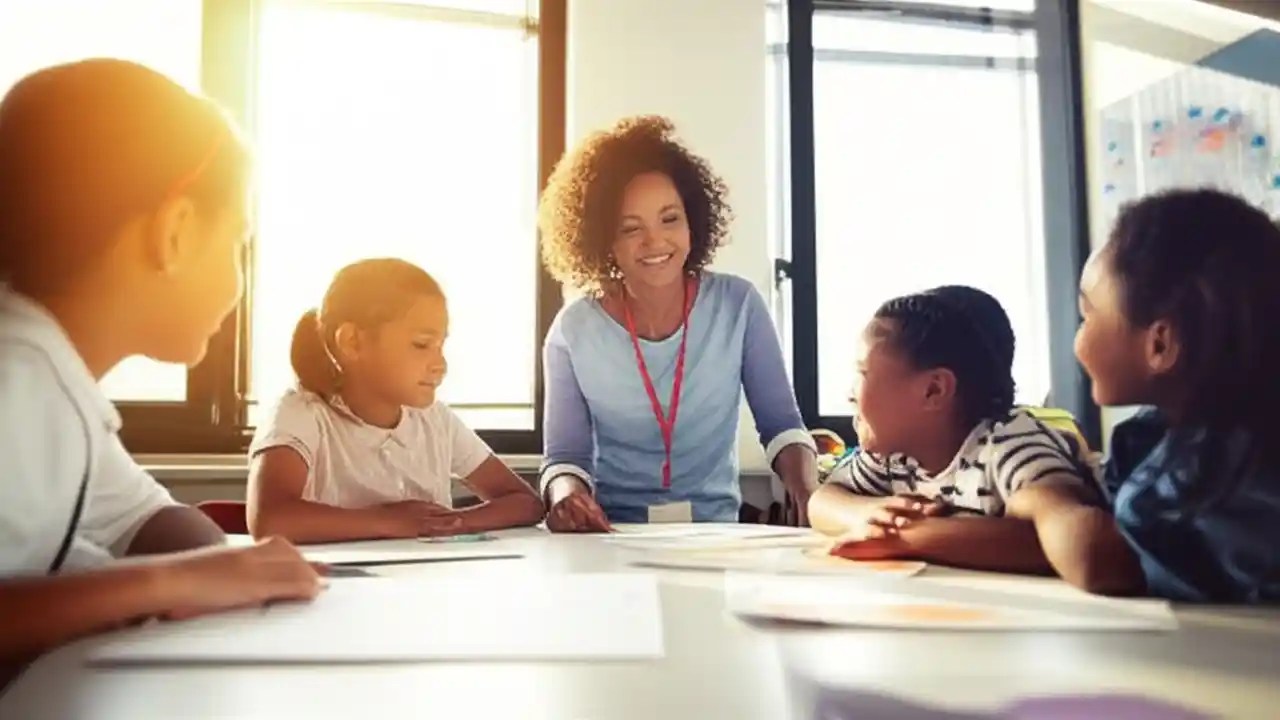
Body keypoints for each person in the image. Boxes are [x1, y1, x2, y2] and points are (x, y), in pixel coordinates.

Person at [0, 59, 321, 665]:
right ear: (174, 232)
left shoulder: (57, 383)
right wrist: (172, 584)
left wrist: (238, 567)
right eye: (237, 245)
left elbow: (145, 520)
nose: (240, 281)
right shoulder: (18, 382)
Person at [537, 115, 817, 529]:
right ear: (603, 241)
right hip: (611, 536)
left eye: (670, 219)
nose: (655, 242)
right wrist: (568, 498)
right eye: (630, 228)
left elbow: (782, 426)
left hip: (715, 532)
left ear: (692, 221)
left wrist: (806, 490)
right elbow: (565, 459)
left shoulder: (738, 305)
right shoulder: (573, 330)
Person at [1018, 188, 1280, 601]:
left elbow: (1097, 560)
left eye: (1087, 316)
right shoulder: (1153, 435)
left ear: (1160, 344)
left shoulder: (1222, 470)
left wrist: (1044, 499)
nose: (1078, 337)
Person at [247, 258, 544, 543]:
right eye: (422, 344)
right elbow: (271, 519)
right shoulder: (301, 413)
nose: (440, 364)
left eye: (441, 345)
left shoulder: (435, 420)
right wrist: (392, 522)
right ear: (352, 342)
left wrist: (456, 522)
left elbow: (525, 502)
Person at [809, 286, 1101, 575]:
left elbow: (1074, 544)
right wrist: (870, 513)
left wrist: (910, 535)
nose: (849, 394)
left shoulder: (1009, 444)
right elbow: (821, 501)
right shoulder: (895, 456)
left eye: (862, 373)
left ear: (934, 390)